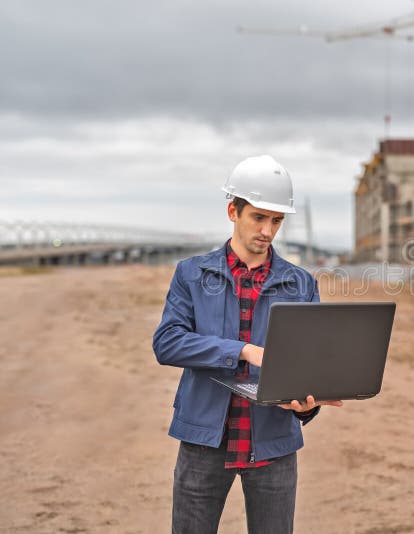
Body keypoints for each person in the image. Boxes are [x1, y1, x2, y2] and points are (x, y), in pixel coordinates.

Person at [152, 154, 342, 534]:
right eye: (258, 217)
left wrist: (306, 406)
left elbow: (307, 365)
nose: (268, 231)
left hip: (273, 443)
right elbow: (168, 343)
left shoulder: (301, 283)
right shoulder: (191, 274)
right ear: (232, 211)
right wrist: (241, 350)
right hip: (204, 439)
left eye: (276, 221)